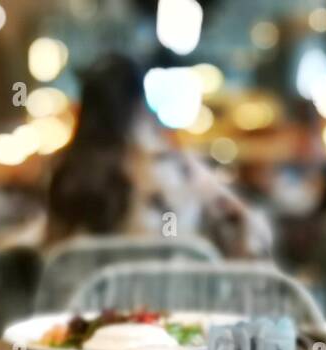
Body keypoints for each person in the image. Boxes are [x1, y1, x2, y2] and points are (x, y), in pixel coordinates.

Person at [46, 54, 271, 258]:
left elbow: (52, 250)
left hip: (79, 302)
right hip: (167, 299)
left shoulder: (66, 174)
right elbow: (251, 233)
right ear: (140, 105)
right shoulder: (176, 167)